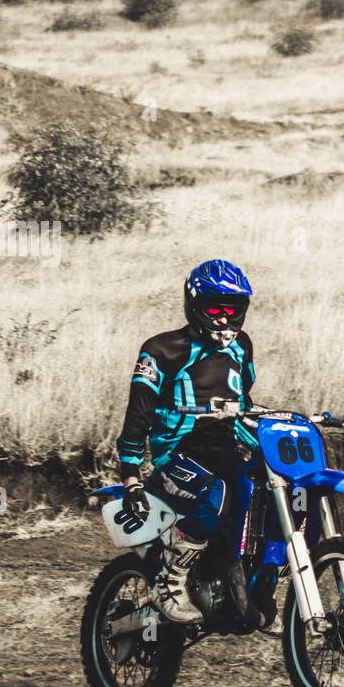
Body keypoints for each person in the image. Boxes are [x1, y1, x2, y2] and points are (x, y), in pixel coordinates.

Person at [116, 259, 257, 622]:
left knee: (264, 488)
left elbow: (243, 405)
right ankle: (169, 580)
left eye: (233, 309)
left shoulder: (241, 347)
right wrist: (130, 476)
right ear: (194, 305)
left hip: (225, 450)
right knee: (218, 494)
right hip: (174, 456)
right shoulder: (161, 350)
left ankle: (246, 577)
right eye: (215, 308)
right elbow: (138, 415)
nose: (224, 318)